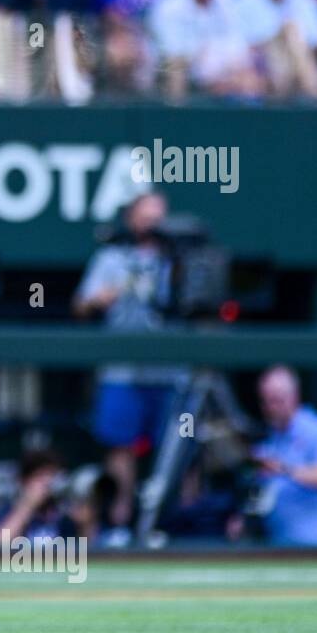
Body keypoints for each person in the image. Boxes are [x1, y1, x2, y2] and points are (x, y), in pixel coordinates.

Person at [73, 192, 187, 546]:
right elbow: (80, 306)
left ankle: (162, 523)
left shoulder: (178, 259)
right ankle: (120, 525)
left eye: (158, 216)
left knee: (171, 447)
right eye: (145, 215)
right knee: (120, 447)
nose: (152, 223)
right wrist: (97, 300)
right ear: (130, 217)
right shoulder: (111, 258)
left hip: (167, 370)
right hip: (122, 369)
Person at [239, 365, 317, 547]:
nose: (271, 408)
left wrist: (285, 469)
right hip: (277, 544)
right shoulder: (270, 437)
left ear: (295, 397)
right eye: (266, 401)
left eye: (277, 401)